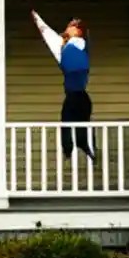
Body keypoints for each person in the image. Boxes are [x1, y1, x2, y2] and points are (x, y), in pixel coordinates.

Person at [31, 9, 95, 161]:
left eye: (73, 25)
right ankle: (73, 149)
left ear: (78, 31)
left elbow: (58, 39)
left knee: (79, 123)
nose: (69, 27)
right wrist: (37, 19)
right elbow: (48, 34)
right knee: (69, 122)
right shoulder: (64, 47)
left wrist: (65, 38)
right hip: (74, 94)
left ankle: (84, 148)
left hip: (79, 95)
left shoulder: (79, 44)